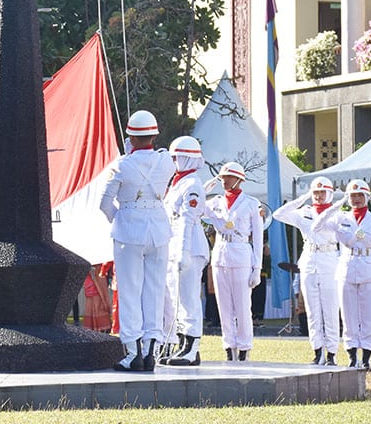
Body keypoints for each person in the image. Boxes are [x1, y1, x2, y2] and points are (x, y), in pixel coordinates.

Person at [99, 110, 176, 372]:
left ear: (130, 136)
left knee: (130, 292)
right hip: (158, 228)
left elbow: (105, 204)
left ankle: (133, 353)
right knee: (154, 291)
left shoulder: (121, 165)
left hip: (129, 230)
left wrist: (120, 218)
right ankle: (151, 350)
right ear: (154, 135)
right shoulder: (166, 162)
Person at [313, 179, 371, 370]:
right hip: (347, 267)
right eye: (352, 196)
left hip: (369, 268)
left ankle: (367, 357)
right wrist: (335, 205)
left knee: (368, 316)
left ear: (367, 197)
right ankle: (352, 356)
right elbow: (317, 225)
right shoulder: (341, 217)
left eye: (359, 195)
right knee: (348, 316)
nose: (356, 199)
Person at [273, 175, 342, 366]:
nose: (319, 196)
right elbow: (278, 214)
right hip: (309, 259)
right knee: (312, 311)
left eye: (322, 192)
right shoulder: (304, 212)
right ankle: (317, 351)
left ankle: (332, 353)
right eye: (316, 192)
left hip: (329, 260)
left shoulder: (337, 214)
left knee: (329, 309)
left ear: (330, 194)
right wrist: (303, 198)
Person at [203, 161, 264, 361]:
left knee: (242, 305)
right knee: (224, 305)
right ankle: (229, 346)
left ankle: (245, 347)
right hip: (220, 254)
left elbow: (257, 237)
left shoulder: (251, 203)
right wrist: (206, 187)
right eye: (222, 177)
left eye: (228, 177)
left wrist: (257, 268)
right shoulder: (216, 201)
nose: (225, 180)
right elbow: (196, 206)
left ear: (239, 179)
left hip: (241, 253)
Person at [160, 135, 210, 366]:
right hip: (176, 247)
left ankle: (192, 349)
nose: (173, 161)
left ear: (186, 158)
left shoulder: (192, 185)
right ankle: (182, 345)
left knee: (189, 300)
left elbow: (187, 221)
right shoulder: (177, 183)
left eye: (176, 157)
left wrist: (182, 252)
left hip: (190, 247)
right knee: (177, 300)